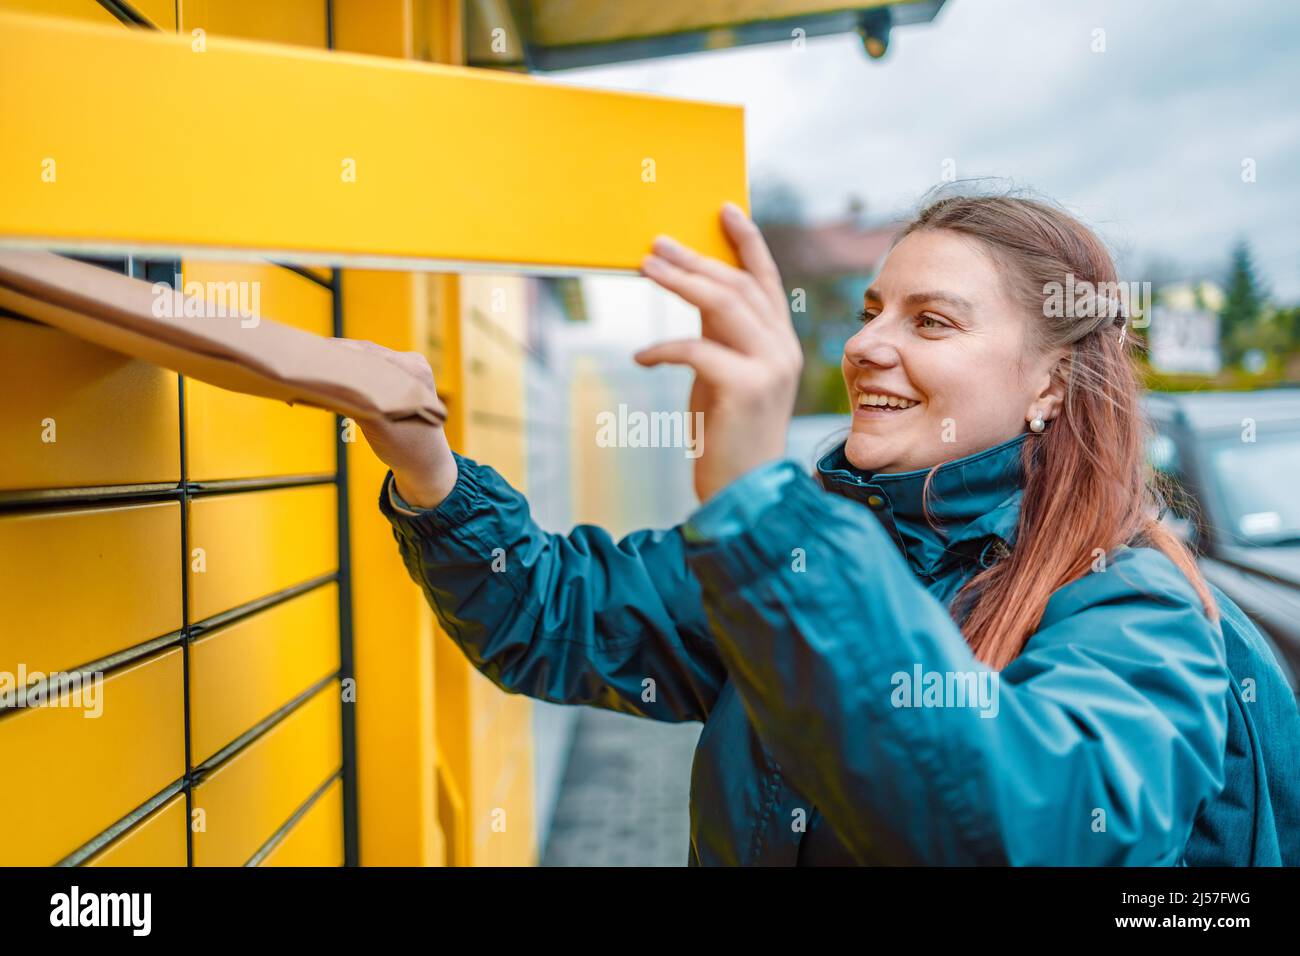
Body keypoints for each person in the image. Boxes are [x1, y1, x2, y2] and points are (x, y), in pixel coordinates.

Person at [339, 193, 1300, 865]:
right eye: (874, 309)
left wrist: (755, 499)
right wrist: (426, 460)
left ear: (1049, 381)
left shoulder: (1135, 606)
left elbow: (1024, 832)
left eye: (932, 322)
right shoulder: (814, 547)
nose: (866, 343)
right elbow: (553, 619)